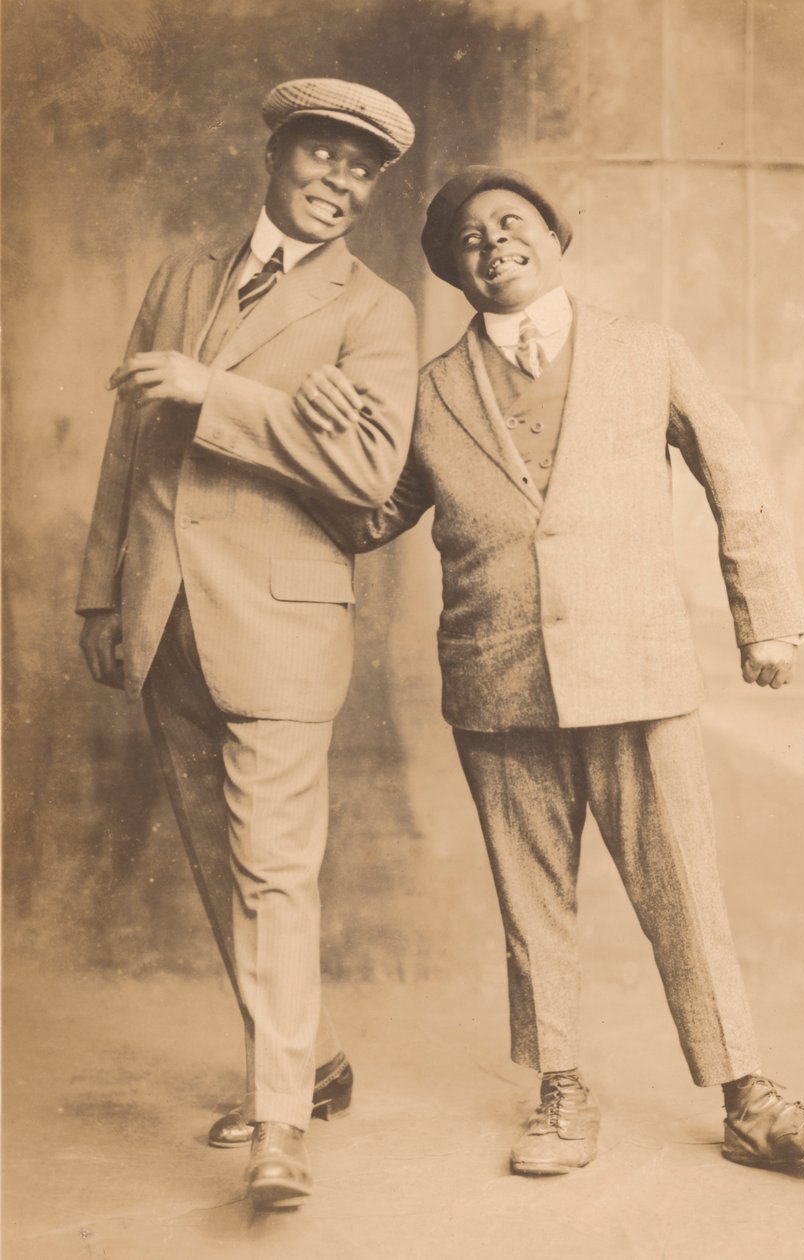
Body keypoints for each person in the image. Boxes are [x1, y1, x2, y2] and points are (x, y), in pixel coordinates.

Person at [304, 165, 804, 1176]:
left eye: (510, 224)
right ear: (451, 271)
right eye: (469, 241)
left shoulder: (643, 349)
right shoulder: (429, 390)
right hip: (497, 678)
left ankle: (749, 1095)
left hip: (637, 666)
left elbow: (734, 468)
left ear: (552, 236)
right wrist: (322, 441)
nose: (493, 246)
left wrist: (769, 624)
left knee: (683, 888)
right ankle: (561, 1092)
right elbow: (367, 519)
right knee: (531, 902)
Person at [76, 78, 418, 1206]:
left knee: (276, 875)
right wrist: (98, 597)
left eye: (363, 171)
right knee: (225, 875)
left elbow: (369, 474)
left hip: (277, 623)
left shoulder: (375, 310)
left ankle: (281, 1127)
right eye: (323, 155)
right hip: (160, 615)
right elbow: (131, 446)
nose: (341, 183)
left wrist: (211, 387)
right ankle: (309, 1069)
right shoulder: (182, 277)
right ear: (275, 154)